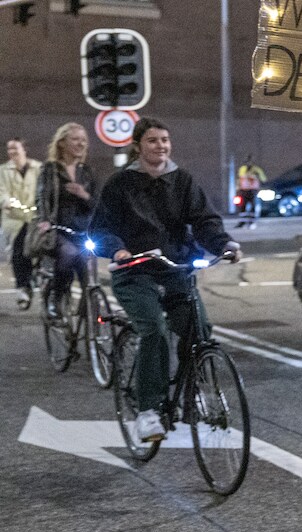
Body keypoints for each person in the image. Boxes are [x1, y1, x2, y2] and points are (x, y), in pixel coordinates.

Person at [89, 117, 242, 443]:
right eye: (153, 141)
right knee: (154, 330)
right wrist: (117, 251)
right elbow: (100, 230)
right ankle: (148, 410)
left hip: (175, 269)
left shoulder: (182, 181)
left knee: (199, 329)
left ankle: (191, 397)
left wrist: (224, 245)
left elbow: (204, 221)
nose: (161, 146)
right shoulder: (120, 184)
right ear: (138, 146)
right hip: (134, 272)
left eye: (165, 140)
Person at [36, 122, 98, 318]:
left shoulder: (87, 171)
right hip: (58, 228)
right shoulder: (50, 169)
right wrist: (44, 220)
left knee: (87, 269)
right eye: (75, 139)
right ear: (62, 143)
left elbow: (97, 203)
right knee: (68, 254)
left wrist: (84, 194)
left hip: (83, 229)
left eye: (83, 140)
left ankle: (85, 320)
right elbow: (42, 197)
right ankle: (57, 296)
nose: (81, 144)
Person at [0, 137, 42, 308]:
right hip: (15, 219)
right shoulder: (3, 171)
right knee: (19, 252)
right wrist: (5, 201)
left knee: (43, 248)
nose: (12, 152)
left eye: (15, 148)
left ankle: (35, 278)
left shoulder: (38, 168)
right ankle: (22, 288)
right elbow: (1, 191)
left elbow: (44, 189)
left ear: (24, 149)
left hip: (36, 216)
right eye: (9, 149)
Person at [233, 155, 267, 227]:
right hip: (243, 190)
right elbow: (239, 179)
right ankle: (242, 222)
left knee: (253, 206)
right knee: (242, 206)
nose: (249, 163)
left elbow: (263, 179)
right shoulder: (242, 169)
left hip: (252, 191)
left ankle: (251, 222)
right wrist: (238, 189)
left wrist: (257, 175)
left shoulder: (256, 170)